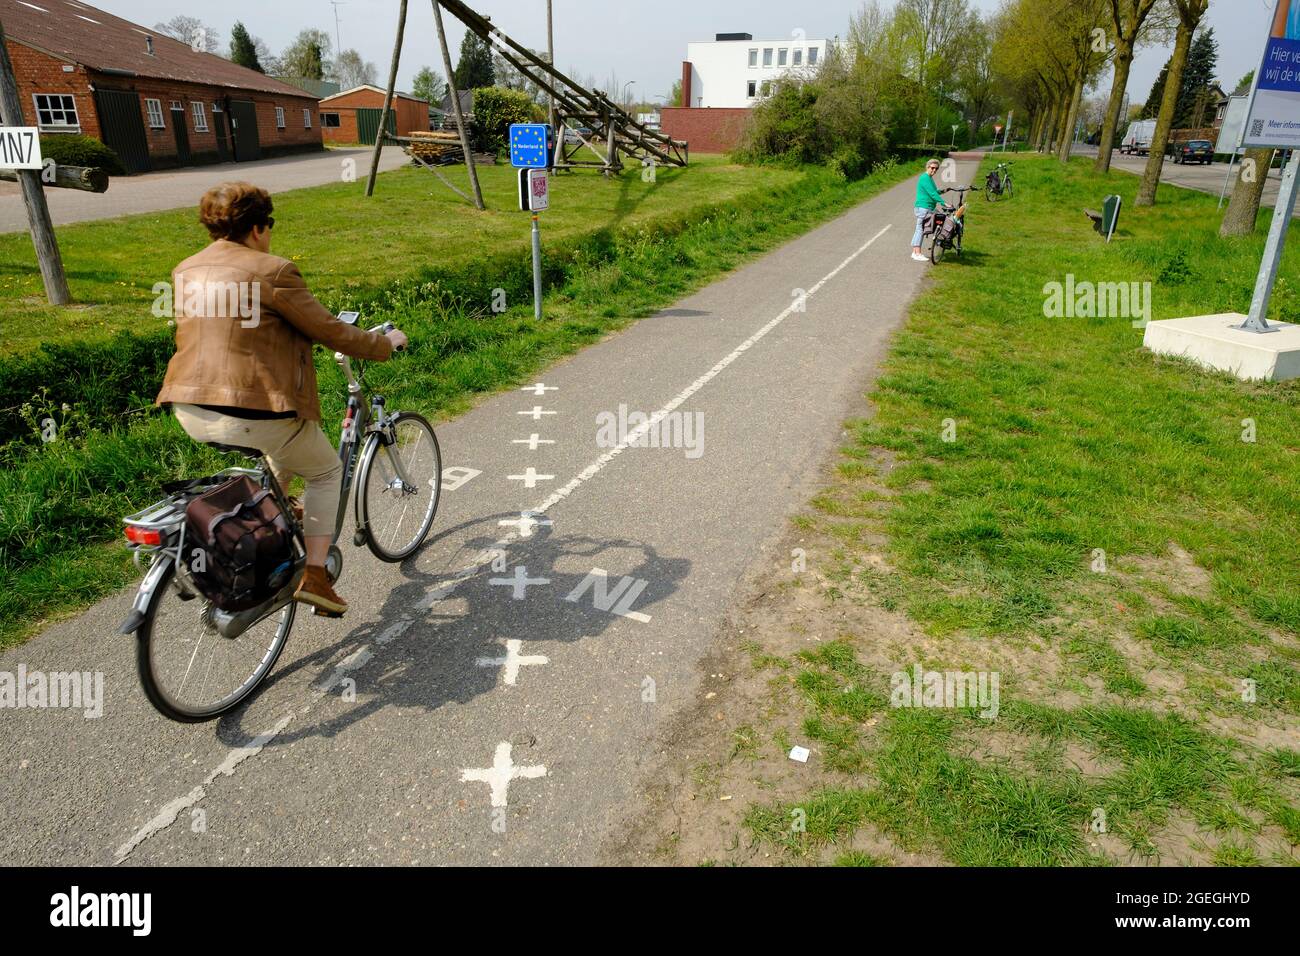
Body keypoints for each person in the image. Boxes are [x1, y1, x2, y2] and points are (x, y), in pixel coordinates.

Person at [156, 182, 407, 617]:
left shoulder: (186, 270)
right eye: (268, 225)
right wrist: (383, 344)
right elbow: (330, 329)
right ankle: (315, 577)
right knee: (327, 472)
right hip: (248, 411)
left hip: (189, 406)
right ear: (256, 228)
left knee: (287, 444)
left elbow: (231, 325)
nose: (270, 233)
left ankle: (273, 517)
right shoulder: (273, 271)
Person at [912, 158, 947, 262]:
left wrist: (942, 191)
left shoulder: (929, 178)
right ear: (927, 167)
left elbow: (934, 191)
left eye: (936, 169)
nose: (934, 170)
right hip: (924, 207)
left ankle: (914, 252)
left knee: (919, 229)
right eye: (932, 168)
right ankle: (917, 253)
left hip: (927, 207)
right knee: (921, 229)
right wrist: (943, 203)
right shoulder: (925, 178)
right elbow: (932, 194)